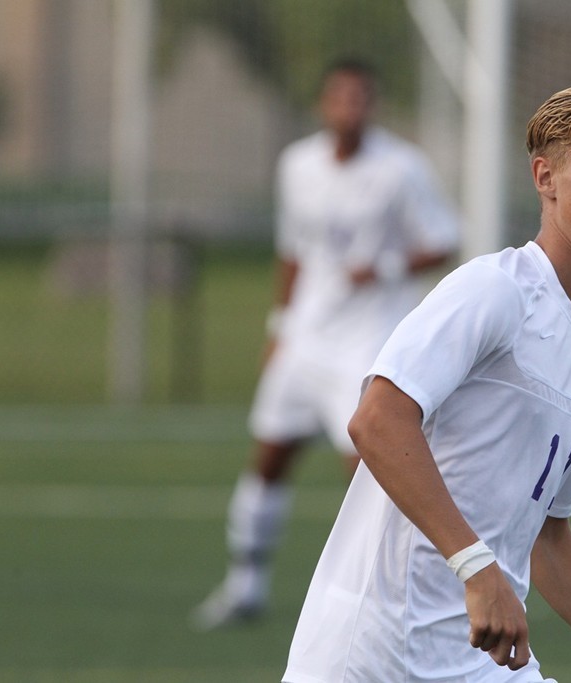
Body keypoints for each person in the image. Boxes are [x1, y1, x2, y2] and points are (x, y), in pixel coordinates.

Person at [282, 79, 571, 682]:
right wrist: (478, 568)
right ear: (545, 178)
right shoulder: (495, 290)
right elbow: (376, 421)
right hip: (372, 651)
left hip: (481, 657)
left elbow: (545, 535)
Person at [191, 58, 459, 630]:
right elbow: (292, 251)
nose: (349, 109)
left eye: (361, 98)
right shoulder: (298, 164)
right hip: (305, 340)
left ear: (373, 105)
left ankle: (387, 595)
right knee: (269, 457)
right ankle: (246, 585)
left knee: (371, 472)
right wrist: (280, 327)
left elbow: (443, 241)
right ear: (323, 105)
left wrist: (385, 266)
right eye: (339, 98)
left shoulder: (401, 168)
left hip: (366, 343)